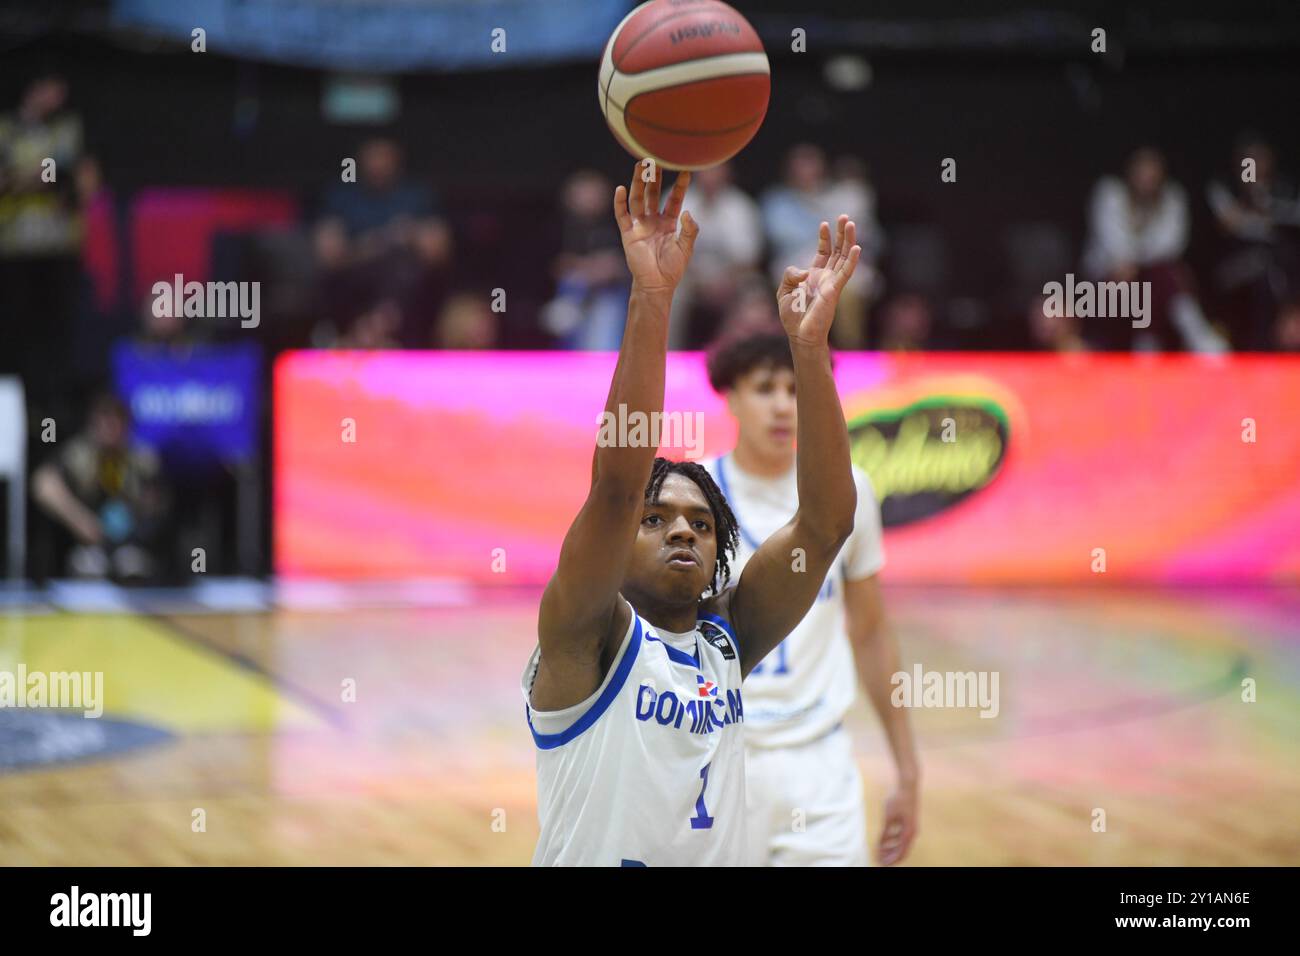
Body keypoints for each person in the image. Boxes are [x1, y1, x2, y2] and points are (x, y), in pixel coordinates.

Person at [523, 162, 861, 866]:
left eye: (702, 525)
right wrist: (652, 295)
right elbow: (616, 485)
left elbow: (827, 524)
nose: (682, 528)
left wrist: (809, 350)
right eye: (658, 520)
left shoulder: (726, 640)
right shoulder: (586, 636)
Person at [701, 329, 919, 866]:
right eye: (764, 388)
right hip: (719, 759)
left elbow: (869, 632)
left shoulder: (849, 493)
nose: (782, 406)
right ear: (729, 395)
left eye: (796, 390)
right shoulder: (694, 496)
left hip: (820, 761)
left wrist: (907, 769)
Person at [1081, 147, 1226, 352]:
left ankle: (1186, 337)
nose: (1147, 180)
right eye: (1142, 172)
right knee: (1149, 276)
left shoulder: (1172, 197)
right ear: (1130, 172)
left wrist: (1136, 259)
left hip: (1149, 275)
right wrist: (1132, 258)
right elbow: (1113, 242)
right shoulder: (1110, 193)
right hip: (1105, 278)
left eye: (1153, 174)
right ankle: (1148, 339)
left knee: (1163, 274)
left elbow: (1172, 245)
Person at [31, 392, 167, 581]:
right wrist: (79, 519)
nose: (110, 428)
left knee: (133, 566)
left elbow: (158, 501)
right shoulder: (79, 454)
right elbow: (43, 484)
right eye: (104, 419)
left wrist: (144, 512)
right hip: (89, 549)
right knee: (88, 567)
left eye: (116, 420)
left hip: (130, 547)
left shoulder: (142, 457)